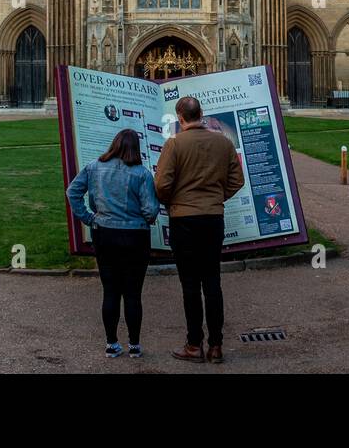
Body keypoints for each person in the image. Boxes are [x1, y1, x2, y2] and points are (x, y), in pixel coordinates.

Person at [153, 94, 245, 364]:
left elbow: (161, 185)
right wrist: (215, 198)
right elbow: (236, 180)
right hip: (213, 218)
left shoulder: (174, 144)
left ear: (180, 118)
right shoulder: (223, 142)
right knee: (213, 282)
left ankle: (194, 345)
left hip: (184, 220)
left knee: (190, 285)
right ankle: (216, 346)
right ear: (200, 114)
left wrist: (175, 200)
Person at [66, 128, 159, 358]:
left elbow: (72, 192)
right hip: (135, 236)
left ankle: (111, 343)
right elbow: (149, 210)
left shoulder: (94, 167)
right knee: (133, 293)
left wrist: (88, 217)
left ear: (114, 144)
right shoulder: (142, 174)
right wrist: (150, 215)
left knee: (110, 291)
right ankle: (135, 345)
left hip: (104, 233)